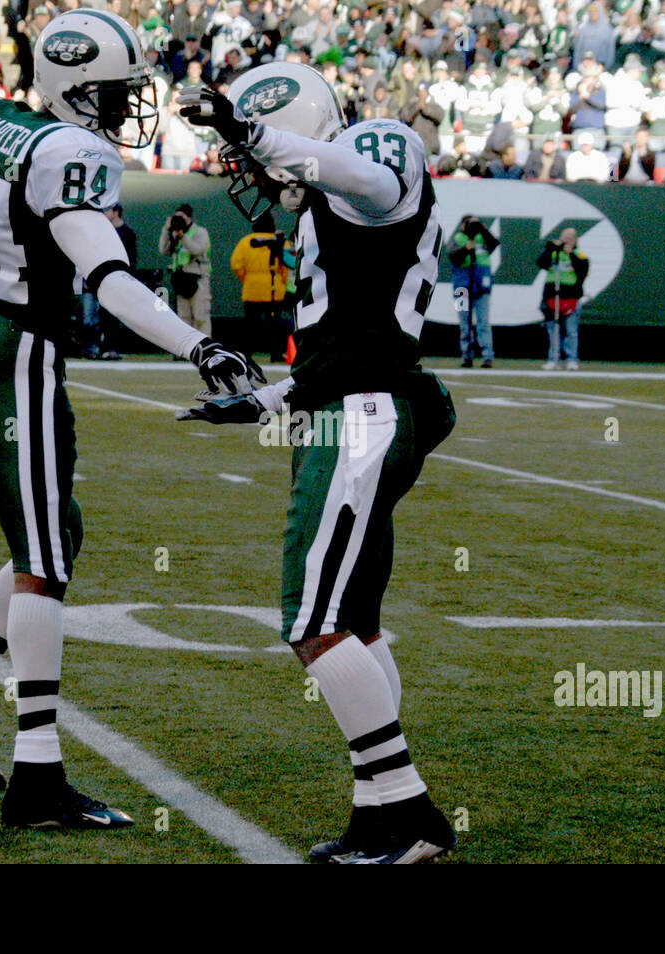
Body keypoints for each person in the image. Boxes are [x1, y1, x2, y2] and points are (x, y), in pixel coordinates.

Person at [0, 10, 261, 831]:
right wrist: (200, 349)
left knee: (54, 530)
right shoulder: (72, 154)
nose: (128, 108)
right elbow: (111, 279)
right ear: (77, 87)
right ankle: (39, 775)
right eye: (117, 93)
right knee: (46, 557)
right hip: (17, 345)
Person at [177, 63, 458, 864]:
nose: (253, 176)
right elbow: (343, 342)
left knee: (313, 621)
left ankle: (405, 811)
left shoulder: (374, 147)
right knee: (355, 619)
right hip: (349, 401)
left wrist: (257, 133)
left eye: (257, 154)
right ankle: (381, 810)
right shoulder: (324, 204)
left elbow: (365, 173)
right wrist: (267, 401)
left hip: (366, 411)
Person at [81, 201, 138, 360]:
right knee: (92, 317)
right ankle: (94, 348)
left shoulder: (127, 233)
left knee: (111, 316)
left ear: (115, 212)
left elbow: (131, 259)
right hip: (99, 279)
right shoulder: (103, 231)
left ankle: (109, 348)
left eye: (107, 211)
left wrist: (128, 279)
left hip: (116, 280)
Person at [229, 209, 288, 361]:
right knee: (274, 326)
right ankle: (276, 354)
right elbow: (287, 265)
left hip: (252, 289)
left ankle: (247, 354)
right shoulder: (280, 241)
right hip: (274, 290)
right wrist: (282, 280)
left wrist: (247, 278)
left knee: (250, 326)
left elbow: (236, 265)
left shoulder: (246, 241)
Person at [448, 214, 498, 368]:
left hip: (481, 288)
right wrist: (466, 248)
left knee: (483, 323)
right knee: (464, 324)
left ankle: (487, 356)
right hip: (462, 288)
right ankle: (466, 356)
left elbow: (494, 243)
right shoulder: (457, 238)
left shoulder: (482, 238)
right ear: (463, 225)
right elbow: (452, 256)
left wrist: (482, 228)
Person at [537, 227, 589, 370]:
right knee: (553, 329)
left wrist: (570, 253)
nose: (566, 240)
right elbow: (541, 263)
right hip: (552, 295)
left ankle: (572, 359)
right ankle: (553, 359)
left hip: (571, 296)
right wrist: (551, 248)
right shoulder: (554, 254)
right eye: (564, 237)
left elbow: (583, 269)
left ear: (575, 240)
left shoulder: (580, 254)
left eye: (570, 237)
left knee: (571, 330)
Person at [159, 202, 211, 336]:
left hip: (198, 278)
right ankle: (186, 349)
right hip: (181, 278)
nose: (179, 221)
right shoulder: (174, 233)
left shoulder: (200, 232)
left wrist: (183, 237)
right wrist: (167, 230)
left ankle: (204, 348)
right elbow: (163, 250)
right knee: (183, 317)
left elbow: (197, 250)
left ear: (189, 218)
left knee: (200, 316)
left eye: (182, 218)